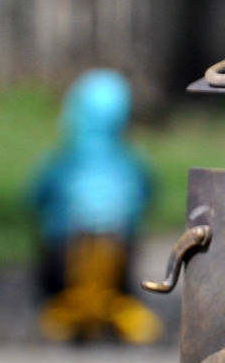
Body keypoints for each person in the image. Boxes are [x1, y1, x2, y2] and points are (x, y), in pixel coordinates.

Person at [28, 69, 152, 323]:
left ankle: (54, 299)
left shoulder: (63, 160)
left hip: (65, 253)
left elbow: (35, 197)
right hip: (118, 248)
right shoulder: (130, 161)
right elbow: (146, 193)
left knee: (49, 244)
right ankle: (119, 299)